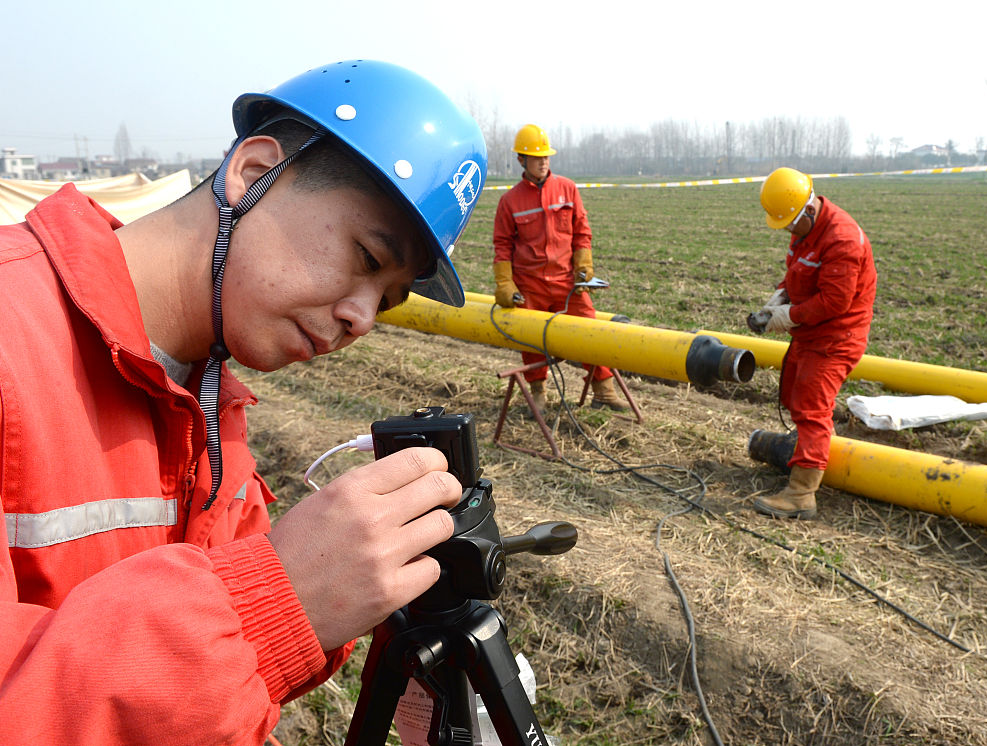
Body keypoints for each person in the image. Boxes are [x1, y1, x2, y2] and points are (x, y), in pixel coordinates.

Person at [0, 60, 487, 743]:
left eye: (387, 300)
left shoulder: (209, 409)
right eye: (368, 258)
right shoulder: (12, 334)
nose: (362, 319)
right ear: (254, 170)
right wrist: (277, 602)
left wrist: (370, 596)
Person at [748, 168, 876, 519]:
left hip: (836, 337)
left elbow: (834, 302)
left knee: (812, 407)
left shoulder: (842, 239)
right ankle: (806, 454)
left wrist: (788, 316)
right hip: (811, 332)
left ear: (808, 208)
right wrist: (781, 295)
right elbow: (799, 271)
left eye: (791, 222)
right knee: (794, 394)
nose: (787, 230)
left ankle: (802, 493)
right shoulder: (806, 229)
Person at [492, 123, 626, 414]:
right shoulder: (510, 201)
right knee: (532, 339)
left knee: (590, 331)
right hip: (531, 284)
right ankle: (538, 393)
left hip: (567, 282)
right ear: (521, 160)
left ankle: (603, 389)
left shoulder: (567, 189)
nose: (542, 162)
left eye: (546, 157)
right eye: (536, 157)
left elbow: (582, 231)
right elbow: (502, 245)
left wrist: (584, 266)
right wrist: (505, 284)